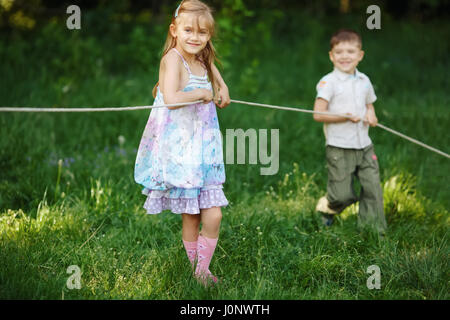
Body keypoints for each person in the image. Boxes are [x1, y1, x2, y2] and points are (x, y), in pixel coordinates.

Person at [134, 0, 231, 285]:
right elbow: (172, 98)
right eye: (188, 30)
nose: (194, 37)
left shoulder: (203, 58)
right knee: (191, 216)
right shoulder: (172, 60)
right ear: (174, 30)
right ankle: (199, 272)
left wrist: (222, 88)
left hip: (204, 150)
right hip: (180, 150)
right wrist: (200, 94)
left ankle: (201, 268)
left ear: (208, 36)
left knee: (213, 216)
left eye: (201, 33)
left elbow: (216, 77)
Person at [313, 29, 387, 234]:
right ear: (331, 56)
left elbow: (369, 105)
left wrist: (372, 115)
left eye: (350, 51)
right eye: (339, 52)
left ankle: (373, 230)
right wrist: (343, 116)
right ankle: (328, 206)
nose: (345, 56)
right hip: (339, 146)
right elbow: (318, 114)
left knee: (372, 188)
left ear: (360, 55)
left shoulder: (364, 80)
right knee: (342, 195)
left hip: (364, 144)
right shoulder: (328, 83)